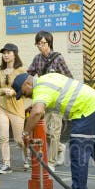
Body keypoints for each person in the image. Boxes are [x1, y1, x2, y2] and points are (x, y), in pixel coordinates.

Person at [12, 72, 95, 189]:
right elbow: (53, 100)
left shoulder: (40, 88)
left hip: (86, 111)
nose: (25, 96)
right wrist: (37, 106)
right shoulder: (46, 78)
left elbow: (37, 112)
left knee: (78, 152)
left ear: (27, 84)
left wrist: (26, 133)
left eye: (23, 92)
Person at [26, 31, 70, 171]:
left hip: (57, 99)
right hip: (43, 99)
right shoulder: (37, 59)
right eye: (38, 44)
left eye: (43, 43)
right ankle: (60, 148)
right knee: (46, 132)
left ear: (49, 43)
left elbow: (68, 77)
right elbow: (29, 75)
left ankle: (51, 162)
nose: (40, 46)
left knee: (54, 130)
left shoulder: (58, 58)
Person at [0, 43, 28, 174]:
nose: (5, 55)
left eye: (8, 52)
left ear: (15, 54)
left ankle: (27, 157)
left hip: (16, 107)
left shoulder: (21, 71)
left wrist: (14, 92)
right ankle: (6, 164)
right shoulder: (0, 71)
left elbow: (25, 90)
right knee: (3, 137)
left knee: (19, 139)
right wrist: (3, 90)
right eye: (4, 53)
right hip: (2, 107)